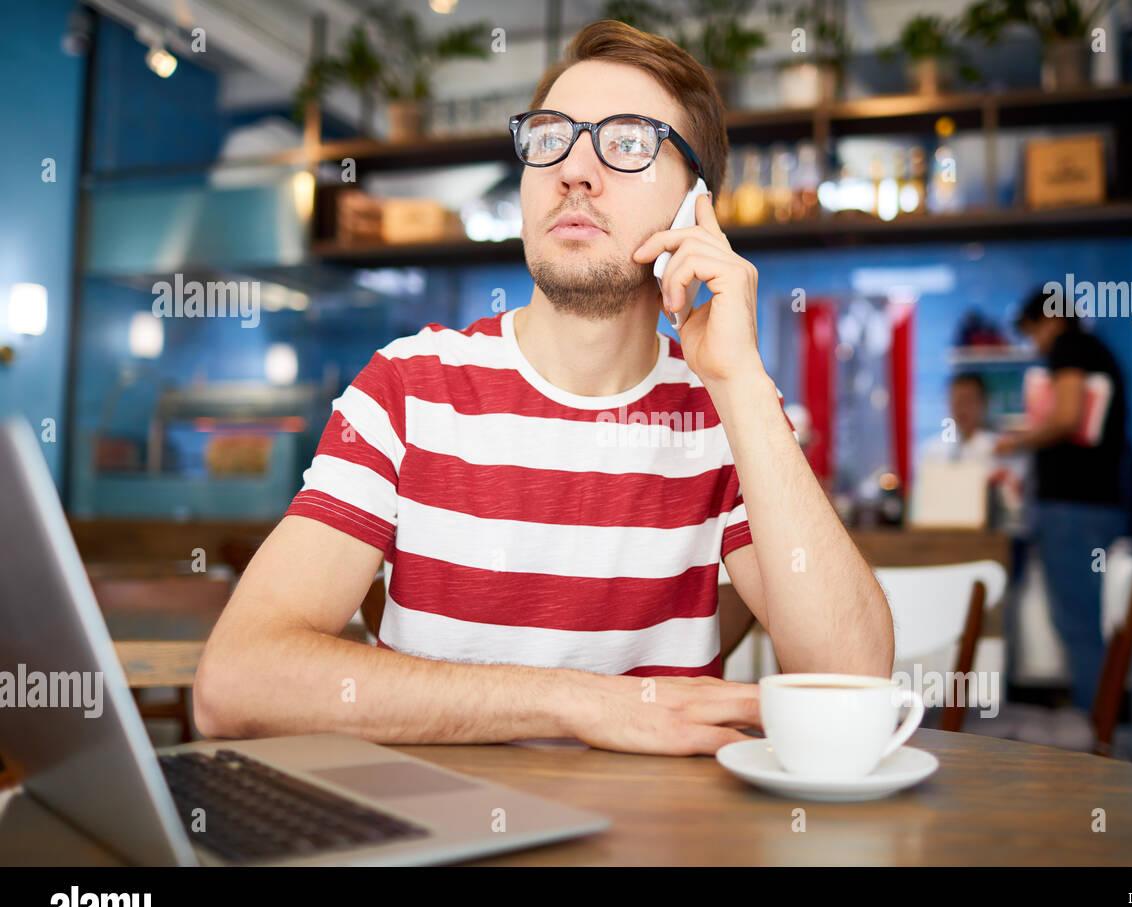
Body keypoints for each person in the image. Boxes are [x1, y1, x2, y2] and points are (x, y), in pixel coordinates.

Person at [194, 21, 894, 756]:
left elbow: (852, 681)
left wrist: (742, 381)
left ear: (698, 209)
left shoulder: (724, 414)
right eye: (550, 137)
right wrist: (578, 703)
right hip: (432, 827)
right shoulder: (407, 386)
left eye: (627, 142)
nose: (574, 171)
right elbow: (236, 680)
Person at [995, 290, 1130, 711]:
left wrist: (1015, 443)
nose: (1035, 345)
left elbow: (1068, 415)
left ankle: (1099, 729)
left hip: (1073, 508)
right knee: (1085, 617)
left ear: (1049, 322)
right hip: (1096, 506)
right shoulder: (1098, 351)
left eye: (1033, 333)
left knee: (1076, 620)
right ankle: (1102, 719)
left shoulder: (1070, 347)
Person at [920, 372, 998, 465]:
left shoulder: (998, 448)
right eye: (957, 401)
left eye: (968, 400)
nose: (962, 408)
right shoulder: (931, 450)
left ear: (984, 402)